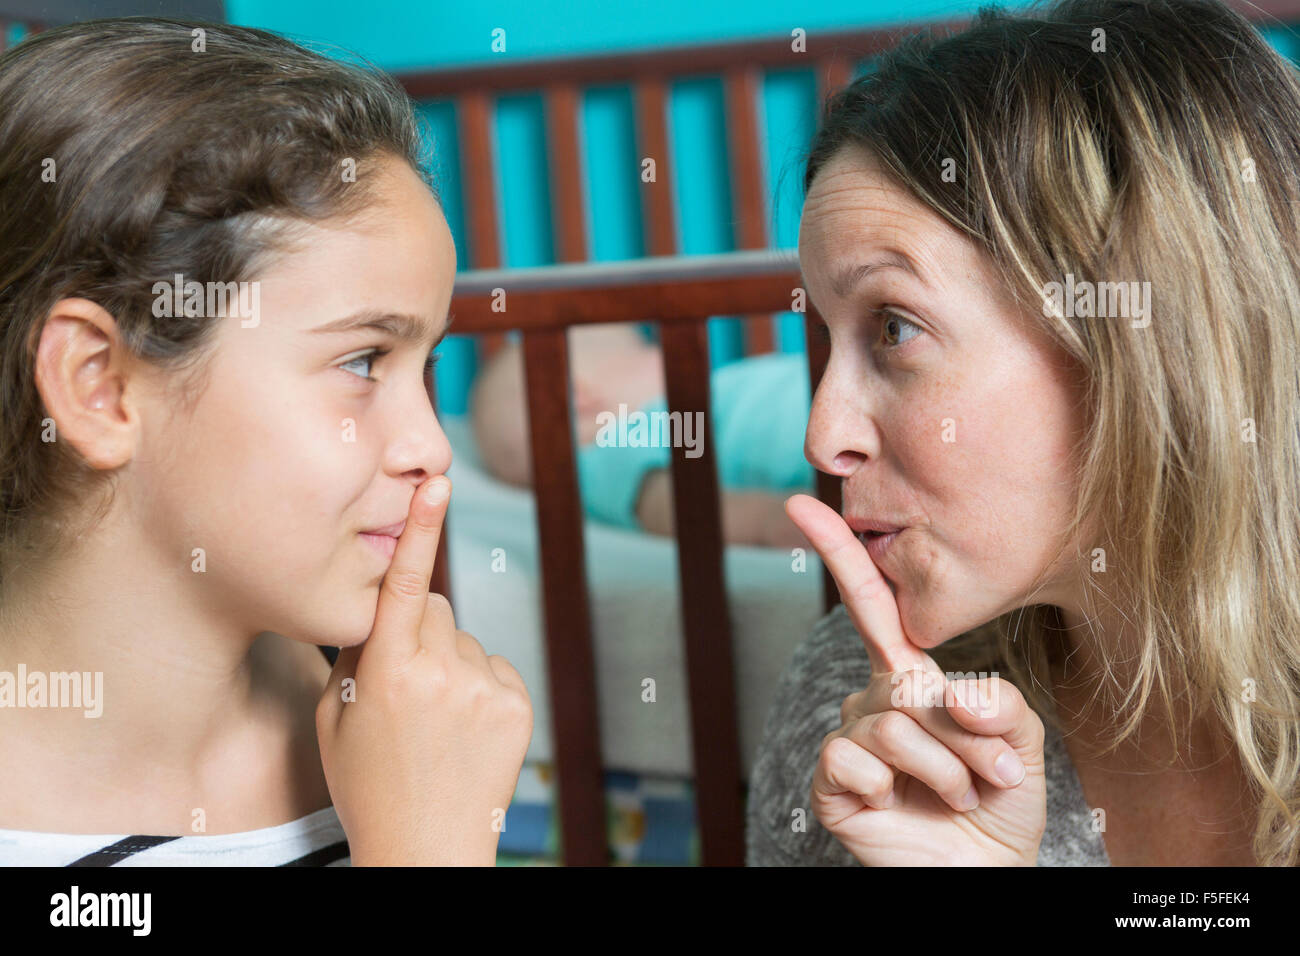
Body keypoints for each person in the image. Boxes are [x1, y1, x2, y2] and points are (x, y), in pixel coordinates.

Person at [748, 0, 1300, 866]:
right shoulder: (868, 723)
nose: (825, 438)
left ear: (1142, 343)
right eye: (825, 336)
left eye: (894, 328)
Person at [0, 17, 531, 865]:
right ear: (97, 386)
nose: (434, 447)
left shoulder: (377, 721)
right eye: (363, 360)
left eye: (424, 366)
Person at [470, 324, 815, 549]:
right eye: (645, 349)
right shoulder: (612, 445)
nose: (665, 354)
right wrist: (770, 522)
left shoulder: (697, 401)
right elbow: (676, 506)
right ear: (580, 397)